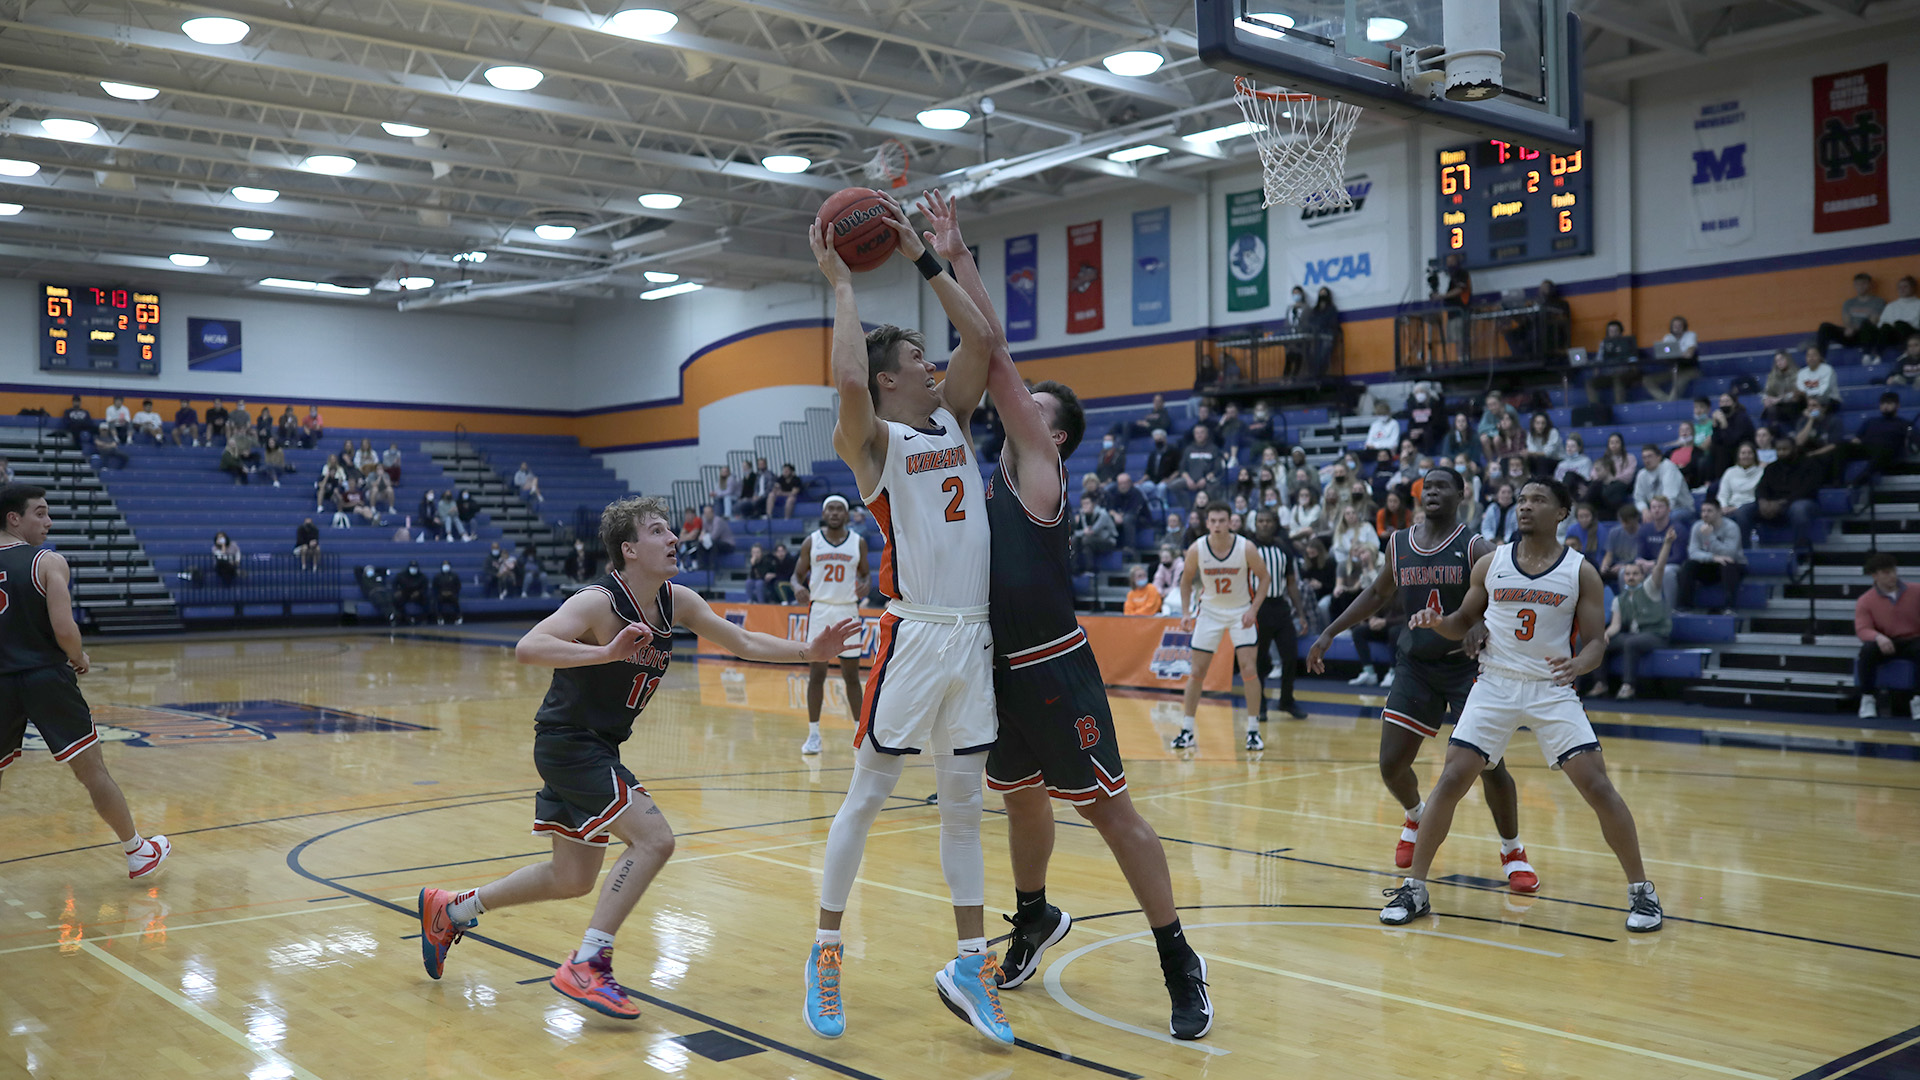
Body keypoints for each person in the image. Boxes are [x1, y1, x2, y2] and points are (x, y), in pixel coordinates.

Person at [932, 199, 1213, 1039]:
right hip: (994, 669)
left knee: (1110, 812)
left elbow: (995, 354)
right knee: (1020, 802)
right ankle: (1035, 917)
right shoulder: (987, 478)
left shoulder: (1041, 472)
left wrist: (956, 258)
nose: (1018, 401)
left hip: (1053, 665)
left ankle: (1178, 958)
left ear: (1053, 435)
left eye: (1034, 404)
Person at [418, 496, 859, 1020]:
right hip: (568, 743)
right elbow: (528, 647)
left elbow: (741, 640)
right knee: (655, 839)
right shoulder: (597, 602)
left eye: (671, 530)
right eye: (657, 531)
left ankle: (451, 910)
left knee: (572, 878)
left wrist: (810, 652)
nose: (673, 538)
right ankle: (588, 963)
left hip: (598, 746)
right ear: (628, 549)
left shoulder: (677, 601)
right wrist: (605, 653)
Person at [801, 191, 1014, 1044]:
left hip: (973, 634)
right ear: (893, 379)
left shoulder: (954, 417)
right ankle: (826, 949)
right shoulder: (874, 444)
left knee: (964, 810)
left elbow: (984, 341)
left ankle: (969, 964)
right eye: (919, 359)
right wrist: (841, 282)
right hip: (916, 631)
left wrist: (923, 254)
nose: (935, 366)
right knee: (867, 797)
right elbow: (851, 379)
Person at [1382, 478, 1662, 933]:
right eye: (1522, 500)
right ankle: (1415, 889)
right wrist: (1438, 622)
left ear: (1561, 512)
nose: (1526, 506)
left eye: (1538, 500)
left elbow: (1596, 642)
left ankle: (1642, 892)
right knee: (1451, 778)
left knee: (1597, 786)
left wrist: (1579, 664)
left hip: (1551, 687)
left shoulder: (1580, 572)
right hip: (1495, 683)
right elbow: (1462, 621)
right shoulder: (1491, 563)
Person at [1307, 466, 1536, 884]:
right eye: (1427, 487)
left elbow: (1505, 598)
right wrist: (1330, 631)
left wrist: (1482, 624)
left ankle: (1513, 849)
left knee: (1490, 766)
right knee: (1391, 764)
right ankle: (1415, 815)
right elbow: (1377, 593)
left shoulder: (1476, 546)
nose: (1432, 492)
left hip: (1469, 669)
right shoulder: (1399, 543)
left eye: (1442, 486)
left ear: (1461, 495)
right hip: (1416, 665)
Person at [0, 485, 171, 879]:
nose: (48, 521)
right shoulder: (47, 562)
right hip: (46, 676)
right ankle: (137, 852)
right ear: (14, 518)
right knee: (92, 771)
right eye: (40, 513)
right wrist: (78, 657)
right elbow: (64, 629)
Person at [1173, 504, 1269, 752]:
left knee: (1249, 670)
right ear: (1207, 523)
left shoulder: (1246, 547)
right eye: (1213, 520)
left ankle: (1253, 730)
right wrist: (1186, 613)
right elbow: (1185, 581)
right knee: (1197, 672)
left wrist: (1253, 610)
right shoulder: (1197, 549)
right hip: (1210, 612)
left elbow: (1265, 578)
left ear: (1230, 522)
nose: (1217, 525)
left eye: (1222, 520)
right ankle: (1187, 730)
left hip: (1240, 612)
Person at [791, 495, 869, 756]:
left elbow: (865, 574)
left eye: (839, 509)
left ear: (846, 515)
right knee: (817, 674)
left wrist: (866, 583)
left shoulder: (858, 542)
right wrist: (797, 587)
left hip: (847, 610)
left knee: (852, 677)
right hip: (821, 610)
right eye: (830, 509)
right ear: (824, 513)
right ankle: (813, 735)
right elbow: (796, 576)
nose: (835, 513)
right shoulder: (811, 541)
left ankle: (860, 735)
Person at [1590, 528, 1674, 700]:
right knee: (1599, 642)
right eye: (1627, 574)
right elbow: (1616, 625)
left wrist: (1667, 543)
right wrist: (1605, 635)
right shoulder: (1619, 599)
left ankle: (1628, 686)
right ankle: (1600, 684)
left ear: (1642, 576)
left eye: (1635, 574)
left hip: (1656, 635)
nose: (1631, 577)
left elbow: (1659, 568)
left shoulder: (1650, 589)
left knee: (1630, 642)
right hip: (1634, 636)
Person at [1250, 510, 1308, 723]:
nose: (1264, 524)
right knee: (1260, 660)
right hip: (1257, 607)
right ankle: (1260, 704)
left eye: (1268, 521)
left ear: (1275, 524)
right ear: (1255, 524)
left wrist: (1300, 614)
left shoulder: (1284, 548)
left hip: (1280, 606)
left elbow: (1291, 583)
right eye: (1260, 521)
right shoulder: (1248, 547)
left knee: (1290, 656)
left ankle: (1286, 700)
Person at [1855, 552, 1920, 720]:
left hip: (1913, 639)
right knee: (1867, 650)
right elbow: (1862, 629)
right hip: (1886, 641)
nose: (1892, 576)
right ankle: (1867, 698)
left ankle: (1918, 700)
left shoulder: (1916, 591)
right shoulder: (1865, 600)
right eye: (1886, 572)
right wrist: (1878, 637)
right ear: (1875, 576)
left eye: (1893, 571)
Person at [1732, 439, 1824, 554]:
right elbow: (1761, 488)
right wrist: (1762, 501)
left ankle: (1801, 553)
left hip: (1800, 502)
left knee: (1799, 509)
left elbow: (1807, 490)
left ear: (1794, 449)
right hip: (1772, 505)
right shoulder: (1771, 467)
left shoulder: (1810, 465)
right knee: (1743, 511)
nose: (1781, 452)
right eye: (1778, 450)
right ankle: (1744, 553)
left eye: (1785, 449)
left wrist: (1781, 503)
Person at [1678, 499, 1744, 613]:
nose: (1705, 514)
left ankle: (1729, 607)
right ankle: (1684, 607)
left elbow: (1729, 554)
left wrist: (1710, 537)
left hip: (1734, 566)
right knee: (1688, 565)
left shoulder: (1731, 527)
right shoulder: (1697, 526)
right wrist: (1713, 557)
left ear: (1719, 512)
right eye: (1703, 511)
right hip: (1709, 564)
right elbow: (1693, 553)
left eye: (1709, 511)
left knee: (1727, 564)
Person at [1817, 272, 1885, 352]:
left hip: (1866, 335)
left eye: (1863, 284)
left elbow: (1873, 321)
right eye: (1857, 284)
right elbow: (1846, 321)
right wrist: (1849, 328)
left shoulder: (1878, 302)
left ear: (1870, 285)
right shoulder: (1848, 303)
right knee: (1825, 326)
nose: (1860, 286)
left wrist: (1854, 328)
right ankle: (1820, 356)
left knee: (1866, 324)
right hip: (1850, 334)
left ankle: (1867, 354)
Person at [1634, 445, 1693, 526]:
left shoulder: (1669, 468)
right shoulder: (1642, 474)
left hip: (1680, 508)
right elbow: (1638, 499)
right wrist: (1644, 510)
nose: (1647, 460)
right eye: (1644, 458)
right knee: (1633, 518)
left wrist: (1655, 512)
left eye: (1650, 456)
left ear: (1659, 457)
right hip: (1656, 509)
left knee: (1669, 517)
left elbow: (1670, 498)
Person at [1646, 316, 1699, 401]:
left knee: (1678, 381)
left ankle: (1671, 401)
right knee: (1647, 380)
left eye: (1679, 325)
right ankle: (1665, 400)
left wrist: (1676, 354)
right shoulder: (1668, 337)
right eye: (1675, 326)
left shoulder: (1690, 335)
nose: (1677, 328)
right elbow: (1663, 354)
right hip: (1674, 370)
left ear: (1684, 326)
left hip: (1690, 370)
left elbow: (1690, 353)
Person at [1071, 493, 1117, 573]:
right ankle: (1074, 569)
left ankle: (1090, 570)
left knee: (1086, 540)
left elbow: (1093, 531)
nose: (1085, 506)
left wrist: (1084, 531)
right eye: (1083, 504)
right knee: (1074, 539)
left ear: (1093, 504)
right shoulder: (1082, 514)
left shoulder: (1102, 514)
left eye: (1087, 503)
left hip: (1108, 540)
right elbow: (1077, 532)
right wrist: (1084, 531)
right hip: (1091, 539)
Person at [1877, 276, 1920, 349]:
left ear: (1913, 288)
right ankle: (1878, 353)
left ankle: (1905, 350)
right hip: (1892, 333)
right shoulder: (1891, 305)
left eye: (1905, 287)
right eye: (1900, 287)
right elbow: (1882, 323)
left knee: (1900, 324)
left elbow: (1916, 324)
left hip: (1911, 333)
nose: (1902, 289)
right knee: (1885, 327)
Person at [392, 560, 431, 625]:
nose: (413, 569)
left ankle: (423, 619)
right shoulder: (402, 575)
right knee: (397, 599)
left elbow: (425, 588)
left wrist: (419, 592)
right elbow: (394, 584)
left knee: (426, 599)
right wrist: (397, 591)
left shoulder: (422, 577)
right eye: (412, 568)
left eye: (415, 568)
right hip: (405, 593)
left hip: (417, 594)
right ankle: (401, 618)